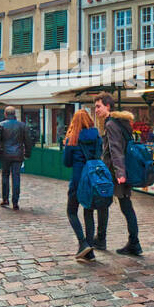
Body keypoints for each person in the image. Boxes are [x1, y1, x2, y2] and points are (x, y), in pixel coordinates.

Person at [94, 93, 142, 256]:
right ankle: (133, 242)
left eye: (98, 106)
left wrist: (120, 174)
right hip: (121, 170)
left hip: (114, 173)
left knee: (107, 204)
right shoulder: (120, 122)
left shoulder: (111, 124)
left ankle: (103, 240)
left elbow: (115, 150)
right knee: (124, 206)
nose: (96, 110)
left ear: (108, 106)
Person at [63, 108, 106, 261]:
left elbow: (66, 162)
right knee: (89, 212)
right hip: (93, 179)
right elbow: (98, 155)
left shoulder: (72, 138)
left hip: (77, 179)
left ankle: (82, 243)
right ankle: (90, 251)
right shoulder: (97, 136)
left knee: (72, 211)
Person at [0, 105, 30, 210]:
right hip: (18, 154)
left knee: (5, 176)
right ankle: (15, 201)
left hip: (5, 155)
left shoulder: (1, 125)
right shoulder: (22, 125)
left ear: (5, 114)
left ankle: (5, 199)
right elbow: (28, 141)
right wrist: (27, 154)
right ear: (14, 114)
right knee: (16, 177)